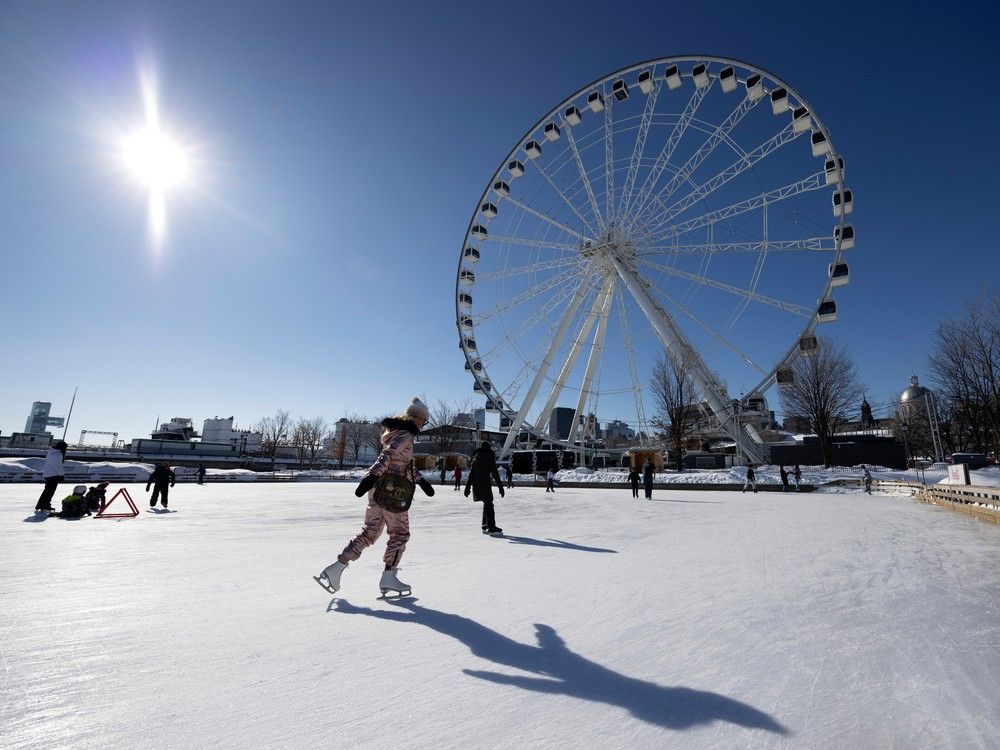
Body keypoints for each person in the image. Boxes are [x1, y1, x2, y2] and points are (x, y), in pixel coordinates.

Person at [315, 398, 435, 597]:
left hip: (378, 490)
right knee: (400, 534)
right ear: (417, 418)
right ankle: (389, 576)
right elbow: (388, 456)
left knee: (370, 532)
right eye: (424, 421)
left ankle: (336, 568)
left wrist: (421, 481)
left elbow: (401, 464)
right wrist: (373, 474)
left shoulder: (395, 432)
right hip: (393, 492)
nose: (424, 425)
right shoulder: (406, 434)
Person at [464, 441, 505, 535]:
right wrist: (500, 487)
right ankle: (491, 527)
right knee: (489, 503)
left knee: (486, 503)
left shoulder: (476, 458)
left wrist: (467, 487)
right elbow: (495, 473)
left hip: (477, 484)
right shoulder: (489, 457)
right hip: (485, 483)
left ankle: (485, 525)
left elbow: (471, 474)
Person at [35, 440, 68, 512]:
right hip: (54, 475)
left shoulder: (50, 453)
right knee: (50, 491)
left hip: (47, 474)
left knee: (47, 491)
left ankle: (40, 505)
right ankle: (45, 505)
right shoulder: (58, 454)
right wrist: (62, 475)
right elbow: (58, 466)